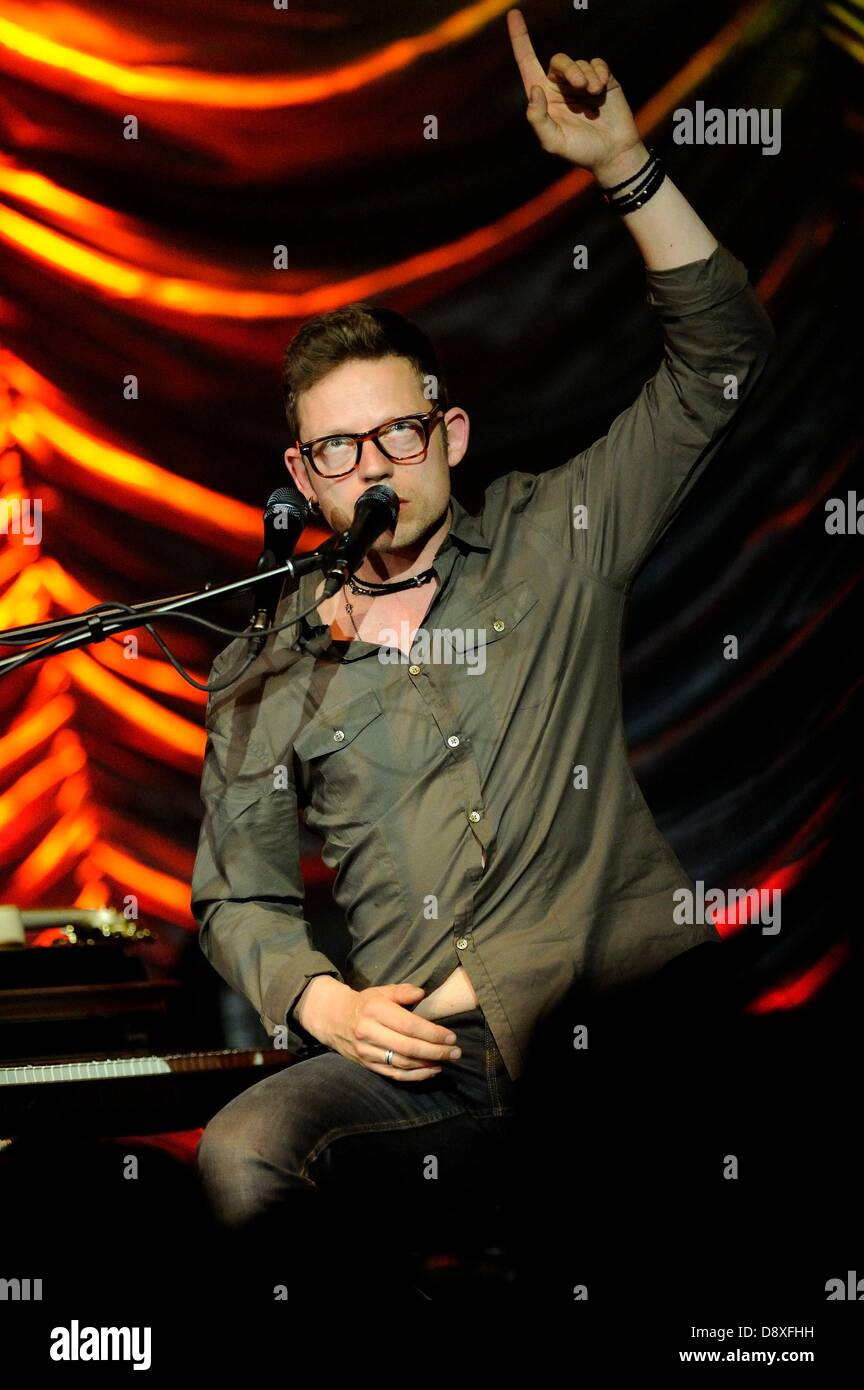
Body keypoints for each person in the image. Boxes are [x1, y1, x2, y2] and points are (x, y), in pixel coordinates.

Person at [191, 9, 775, 1299]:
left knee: (611, 1170)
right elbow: (236, 894)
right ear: (302, 477)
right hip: (412, 1068)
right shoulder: (265, 658)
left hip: (606, 1030)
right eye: (336, 453)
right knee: (240, 1162)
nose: (372, 470)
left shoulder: (558, 534)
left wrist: (624, 165)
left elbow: (721, 360)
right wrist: (328, 1008)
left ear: (449, 435)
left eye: (397, 435)